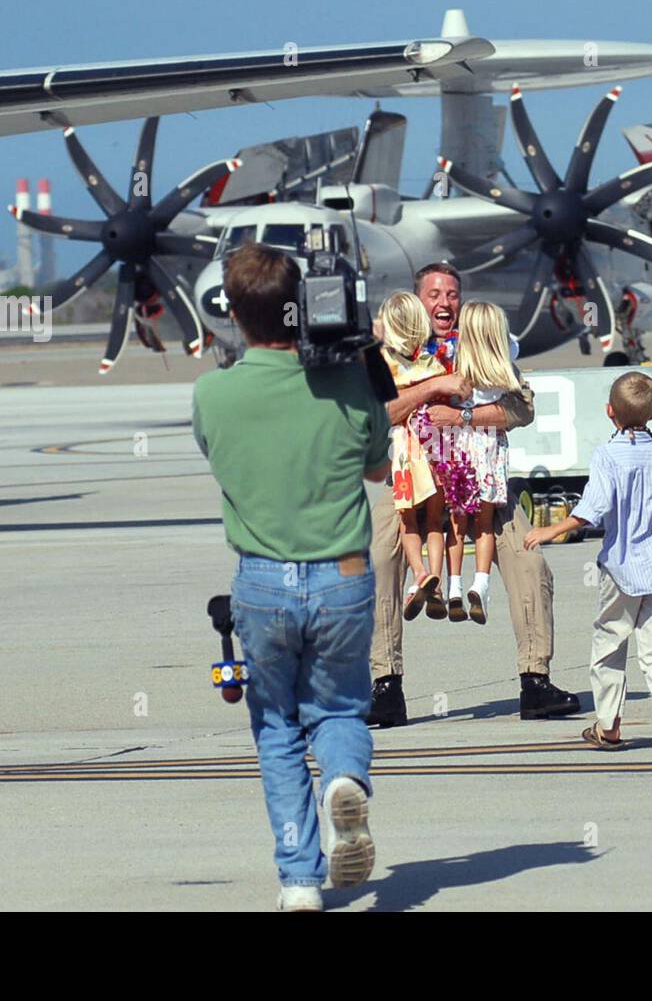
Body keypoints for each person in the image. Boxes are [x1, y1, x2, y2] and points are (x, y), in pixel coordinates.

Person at [192, 243, 390, 912]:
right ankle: (343, 779)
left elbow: (217, 458)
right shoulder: (348, 381)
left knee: (275, 726)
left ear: (233, 313)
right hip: (344, 572)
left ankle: (300, 879)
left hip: (262, 580)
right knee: (337, 707)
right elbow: (377, 467)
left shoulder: (213, 392)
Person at [367, 262, 580, 728]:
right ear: (416, 300)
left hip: (478, 480)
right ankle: (386, 687)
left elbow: (520, 408)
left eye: (452, 295)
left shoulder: (480, 344)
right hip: (415, 479)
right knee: (378, 558)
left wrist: (463, 417)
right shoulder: (395, 354)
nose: (444, 303)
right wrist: (433, 387)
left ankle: (535, 682)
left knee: (530, 563)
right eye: (434, 294)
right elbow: (379, 414)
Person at [524, 371, 652, 756]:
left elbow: (594, 508)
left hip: (622, 568)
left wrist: (550, 531)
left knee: (609, 644)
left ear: (609, 412)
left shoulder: (607, 455)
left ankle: (609, 726)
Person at [443, 301, 521, 625]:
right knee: (485, 524)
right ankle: (482, 583)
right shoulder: (503, 365)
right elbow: (514, 343)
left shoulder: (458, 363)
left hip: (461, 447)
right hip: (490, 447)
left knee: (457, 524)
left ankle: (454, 587)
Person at [376, 292, 448, 621]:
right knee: (435, 520)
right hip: (438, 449)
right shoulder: (432, 363)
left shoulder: (385, 364)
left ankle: (419, 573)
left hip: (406, 452)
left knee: (409, 521)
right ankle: (437, 578)